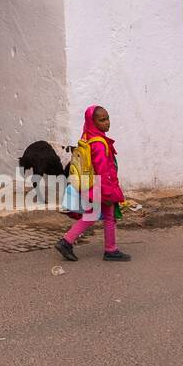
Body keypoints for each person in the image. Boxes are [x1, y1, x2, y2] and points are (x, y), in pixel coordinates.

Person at [55, 105, 130, 263]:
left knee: (93, 215)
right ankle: (110, 250)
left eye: (107, 118)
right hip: (102, 186)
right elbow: (103, 171)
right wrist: (108, 193)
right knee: (107, 217)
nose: (107, 123)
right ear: (92, 121)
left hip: (93, 185)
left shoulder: (87, 137)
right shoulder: (99, 144)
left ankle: (67, 241)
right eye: (102, 120)